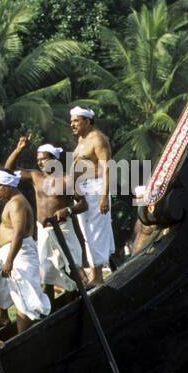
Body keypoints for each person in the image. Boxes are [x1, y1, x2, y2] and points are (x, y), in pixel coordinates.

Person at [3, 136, 88, 298]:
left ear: (54, 159)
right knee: (47, 270)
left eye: (44, 159)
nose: (41, 163)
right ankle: (48, 307)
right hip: (43, 229)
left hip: (63, 227)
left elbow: (83, 205)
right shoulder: (36, 177)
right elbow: (8, 172)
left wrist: (68, 210)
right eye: (38, 160)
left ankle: (88, 293)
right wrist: (19, 149)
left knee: (74, 264)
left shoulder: (67, 179)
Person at [0, 169, 51, 331]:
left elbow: (18, 233)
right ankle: (4, 315)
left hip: (19, 256)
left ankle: (24, 339)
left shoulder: (16, 203)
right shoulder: (12, 202)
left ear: (8, 184)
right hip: (11, 254)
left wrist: (10, 260)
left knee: (24, 300)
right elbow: (5, 227)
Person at [69, 106, 115, 285]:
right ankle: (94, 274)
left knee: (96, 232)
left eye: (76, 120)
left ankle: (98, 277)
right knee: (86, 233)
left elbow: (107, 168)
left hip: (96, 189)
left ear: (87, 121)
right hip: (83, 191)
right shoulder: (81, 140)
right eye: (71, 121)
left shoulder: (98, 139)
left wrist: (104, 196)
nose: (72, 124)